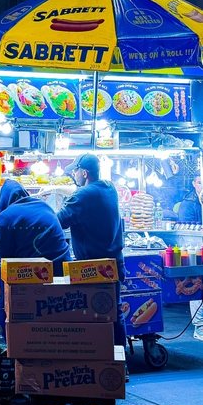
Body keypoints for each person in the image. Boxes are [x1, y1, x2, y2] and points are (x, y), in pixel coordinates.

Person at [58, 153, 128, 371]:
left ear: (84, 173)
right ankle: (119, 363)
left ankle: (95, 364)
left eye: (75, 172)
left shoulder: (83, 194)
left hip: (92, 268)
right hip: (114, 263)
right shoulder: (109, 188)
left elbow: (59, 221)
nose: (73, 175)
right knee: (113, 313)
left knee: (91, 314)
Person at [0, 180, 70, 275]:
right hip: (65, 268)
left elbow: (6, 255)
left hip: (36, 274)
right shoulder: (44, 205)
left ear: (4, 199)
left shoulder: (6, 216)